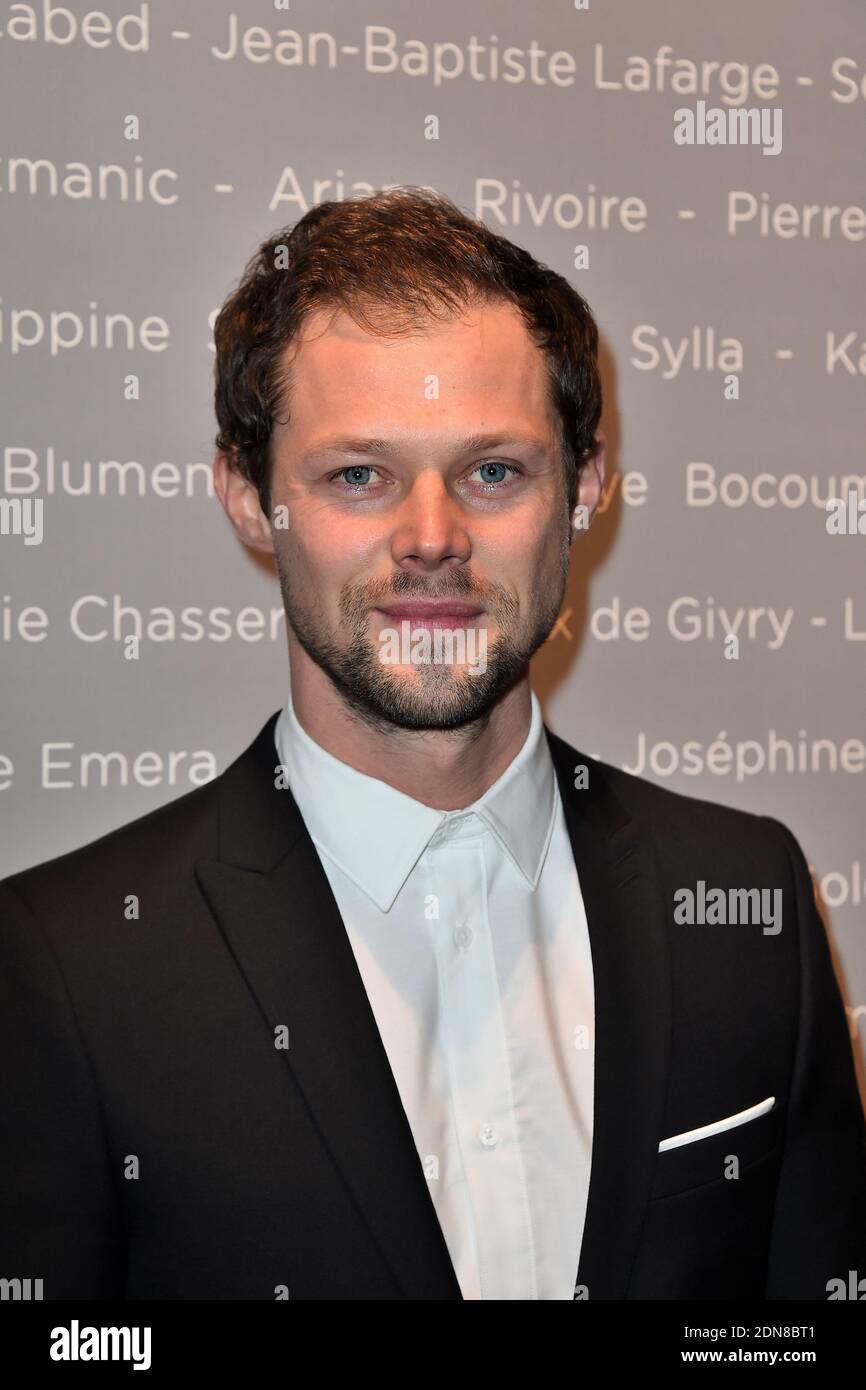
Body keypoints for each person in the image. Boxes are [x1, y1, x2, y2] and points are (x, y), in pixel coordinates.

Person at [1, 187, 864, 1300]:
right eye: (357, 474)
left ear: (584, 487)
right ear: (247, 497)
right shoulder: (66, 968)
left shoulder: (746, 902)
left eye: (492, 470)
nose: (430, 539)